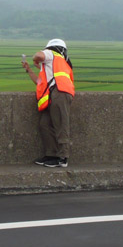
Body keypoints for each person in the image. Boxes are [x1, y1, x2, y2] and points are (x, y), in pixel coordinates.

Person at [22, 38, 75, 168]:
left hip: (59, 93)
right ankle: (51, 155)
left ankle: (63, 157)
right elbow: (40, 82)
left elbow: (39, 55)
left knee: (61, 125)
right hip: (53, 95)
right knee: (44, 124)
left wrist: (35, 59)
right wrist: (29, 69)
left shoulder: (52, 54)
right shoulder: (53, 64)